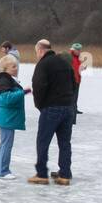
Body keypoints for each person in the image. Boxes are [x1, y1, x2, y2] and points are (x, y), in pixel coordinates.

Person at [28, 39, 76, 185]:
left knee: (43, 141)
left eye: (37, 52)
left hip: (51, 108)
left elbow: (38, 86)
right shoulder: (65, 63)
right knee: (64, 143)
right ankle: (65, 174)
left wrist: (40, 106)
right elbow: (74, 84)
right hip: (68, 108)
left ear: (41, 50)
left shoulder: (43, 64)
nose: (37, 55)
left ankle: (42, 174)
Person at [0, 53, 26, 179]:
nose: (16, 68)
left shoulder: (7, 81)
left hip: (6, 117)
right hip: (6, 118)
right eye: (13, 67)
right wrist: (23, 92)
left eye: (16, 66)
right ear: (5, 70)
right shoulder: (3, 82)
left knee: (4, 144)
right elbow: (7, 99)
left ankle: (0, 170)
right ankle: (3, 171)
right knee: (6, 144)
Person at [70, 42, 84, 115]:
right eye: (77, 50)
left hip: (77, 79)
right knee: (72, 95)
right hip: (71, 80)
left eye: (80, 50)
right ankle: (72, 109)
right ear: (73, 50)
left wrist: (83, 67)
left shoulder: (78, 57)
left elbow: (80, 67)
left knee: (75, 95)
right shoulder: (69, 57)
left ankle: (74, 109)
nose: (79, 51)